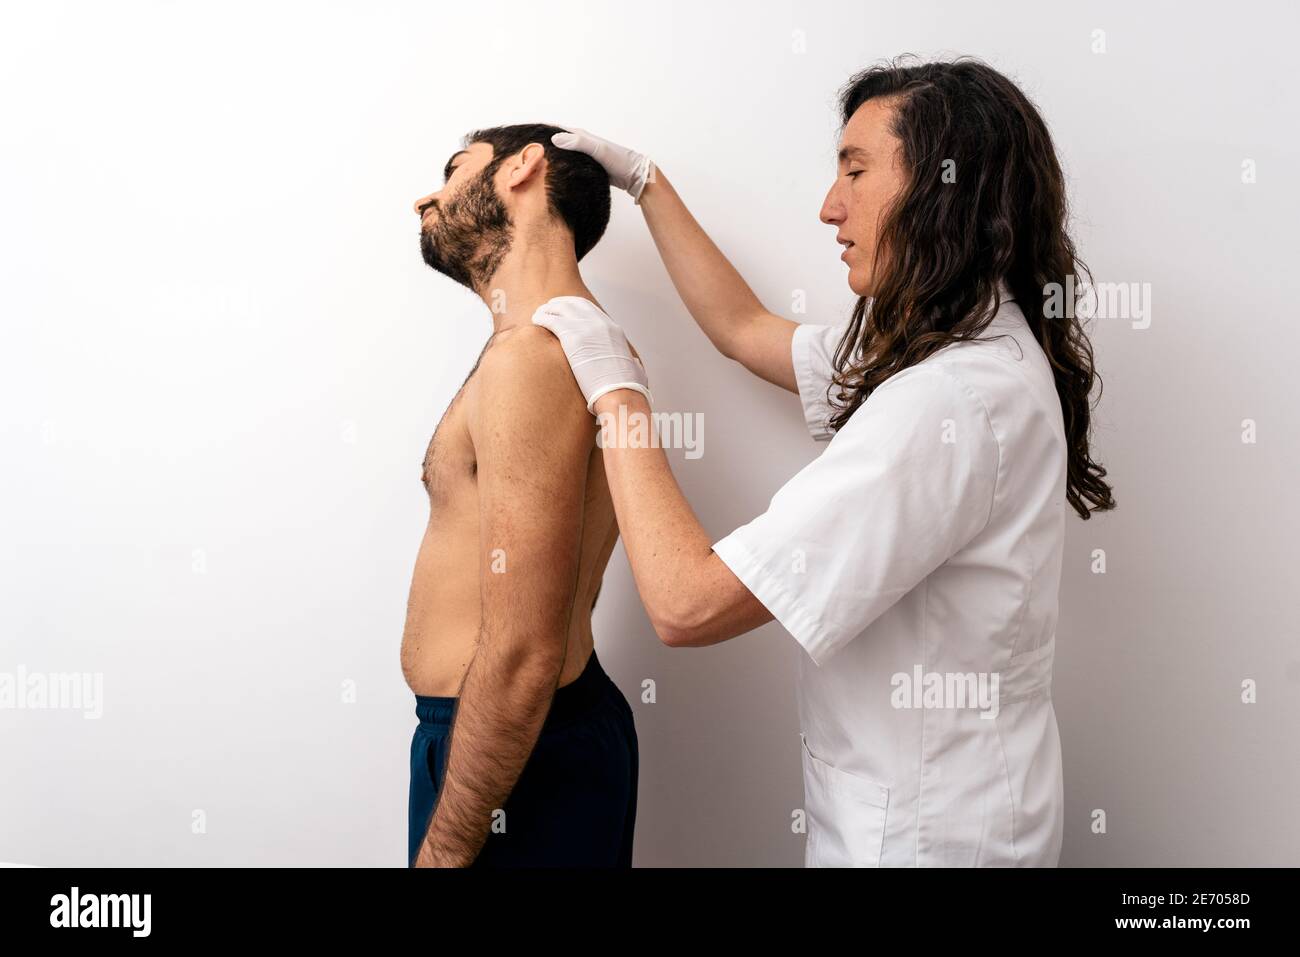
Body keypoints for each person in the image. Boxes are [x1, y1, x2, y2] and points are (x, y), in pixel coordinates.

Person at [534, 58, 1116, 866]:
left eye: (855, 169)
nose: (828, 207)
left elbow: (686, 603)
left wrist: (621, 401)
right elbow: (742, 328)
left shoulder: (945, 402)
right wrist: (648, 185)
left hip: (926, 838)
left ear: (943, 187)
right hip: (954, 805)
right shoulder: (969, 345)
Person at [403, 124, 644, 868]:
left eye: (453, 170)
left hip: (511, 751)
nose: (426, 199)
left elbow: (522, 654)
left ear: (523, 168)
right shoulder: (577, 344)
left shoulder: (529, 359)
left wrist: (443, 851)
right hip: (522, 740)